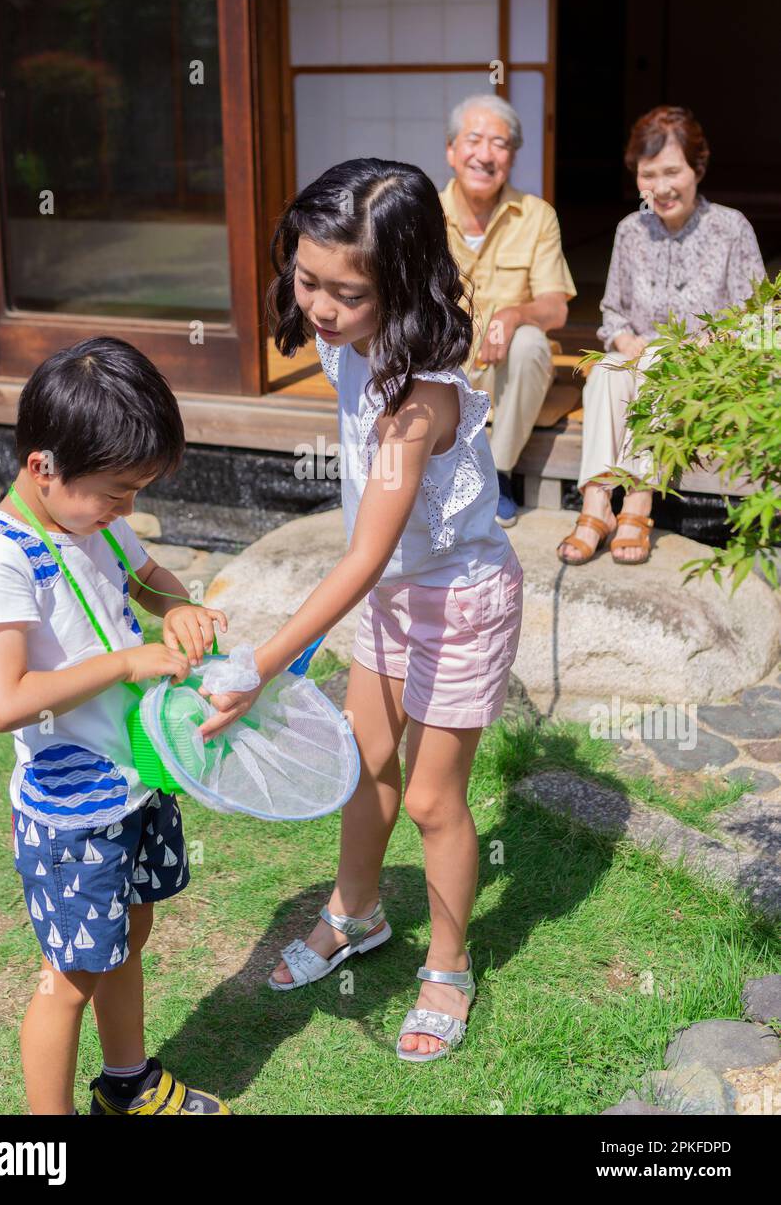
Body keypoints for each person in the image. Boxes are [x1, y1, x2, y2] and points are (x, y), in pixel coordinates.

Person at [198, 158, 524, 1061]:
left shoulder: (422, 400)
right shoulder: (348, 343)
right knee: (361, 761)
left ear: (403, 285)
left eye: (346, 292)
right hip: (391, 595)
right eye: (306, 279)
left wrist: (258, 665)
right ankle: (357, 912)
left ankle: (450, 968)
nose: (319, 308)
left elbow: (367, 550)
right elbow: (373, 559)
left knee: (429, 796)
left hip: (459, 600)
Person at [0, 335, 232, 1115]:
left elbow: (146, 579)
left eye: (136, 492)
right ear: (42, 467)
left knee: (129, 939)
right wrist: (125, 663)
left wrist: (179, 607)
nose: (127, 509)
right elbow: (2, 701)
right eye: (117, 491)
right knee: (68, 978)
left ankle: (127, 1080)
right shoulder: (0, 559)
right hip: (70, 811)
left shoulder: (96, 523)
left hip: (135, 777)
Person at [557, 105, 765, 566]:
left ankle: (636, 501)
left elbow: (757, 323)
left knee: (654, 364)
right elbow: (611, 312)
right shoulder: (631, 231)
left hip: (705, 374)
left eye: (673, 171)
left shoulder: (731, 229)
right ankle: (596, 503)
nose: (661, 188)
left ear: (698, 168)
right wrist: (622, 339)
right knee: (608, 369)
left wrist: (712, 343)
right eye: (648, 175)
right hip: (641, 360)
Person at [439, 95, 576, 526]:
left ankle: (496, 474)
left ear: (512, 156)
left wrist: (513, 315)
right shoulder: (423, 214)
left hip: (503, 366)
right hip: (442, 360)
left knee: (533, 341)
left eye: (498, 144)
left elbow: (556, 307)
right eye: (473, 140)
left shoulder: (537, 216)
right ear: (451, 150)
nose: (484, 154)